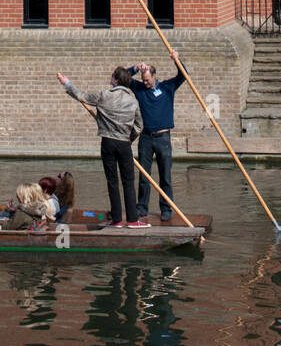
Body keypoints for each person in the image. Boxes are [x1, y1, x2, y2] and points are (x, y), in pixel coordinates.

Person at [56, 67, 147, 227]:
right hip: (124, 143)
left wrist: (67, 83)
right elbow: (139, 126)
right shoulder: (133, 101)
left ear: (116, 80)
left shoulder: (105, 96)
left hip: (108, 142)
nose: (110, 78)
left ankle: (117, 219)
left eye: (112, 76)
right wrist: (128, 138)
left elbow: (81, 96)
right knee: (128, 182)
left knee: (112, 181)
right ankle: (132, 220)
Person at [128, 49, 186, 223]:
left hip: (163, 138)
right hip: (146, 138)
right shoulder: (139, 88)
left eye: (147, 80)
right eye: (143, 80)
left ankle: (166, 208)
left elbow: (183, 76)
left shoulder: (167, 87)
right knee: (144, 176)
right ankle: (142, 208)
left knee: (165, 176)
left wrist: (177, 60)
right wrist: (135, 68)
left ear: (154, 76)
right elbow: (121, 77)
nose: (145, 83)